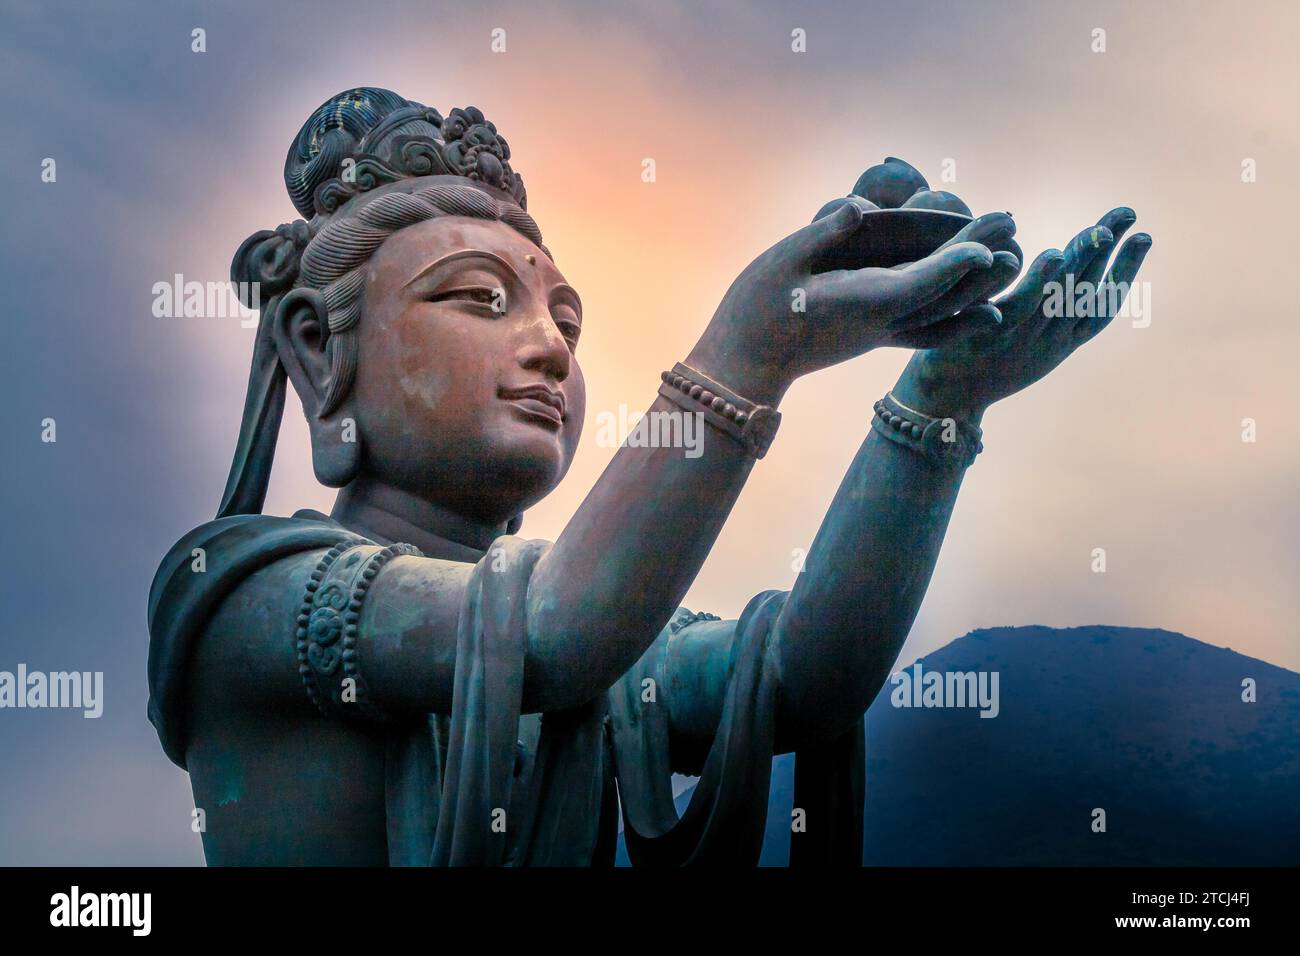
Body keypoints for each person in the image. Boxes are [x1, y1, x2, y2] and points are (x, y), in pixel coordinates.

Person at [147, 88, 1151, 865]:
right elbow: (541, 637)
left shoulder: (611, 640)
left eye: (566, 325)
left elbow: (798, 678)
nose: (546, 347)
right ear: (321, 351)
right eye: (477, 300)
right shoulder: (248, 597)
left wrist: (934, 408)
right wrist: (749, 351)